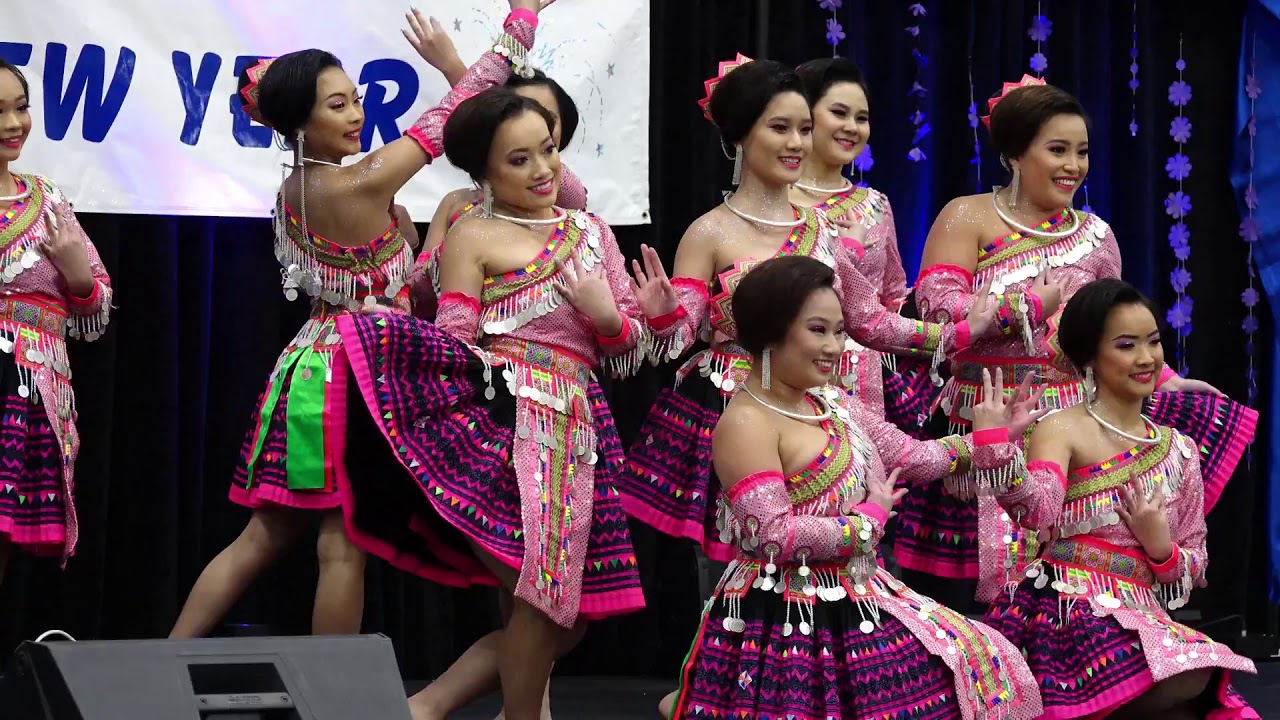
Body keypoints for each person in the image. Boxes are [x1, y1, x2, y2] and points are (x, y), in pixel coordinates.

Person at [168, 2, 551, 640]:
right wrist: (520, 21)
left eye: (354, 99)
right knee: (341, 544)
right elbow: (450, 115)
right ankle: (334, 699)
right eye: (337, 105)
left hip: (320, 363)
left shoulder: (312, 188)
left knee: (270, 535)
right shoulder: (348, 187)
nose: (356, 114)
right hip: (353, 370)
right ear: (299, 122)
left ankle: (162, 667)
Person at [330, 86, 662, 720]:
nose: (543, 171)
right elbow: (454, 342)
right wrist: (389, 324)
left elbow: (632, 341)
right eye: (520, 160)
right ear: (483, 169)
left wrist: (613, 320)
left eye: (549, 151)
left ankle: (426, 708)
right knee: (540, 603)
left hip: (583, 429)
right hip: (507, 424)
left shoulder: (590, 231)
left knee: (567, 620)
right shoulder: (473, 235)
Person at [619, 56, 995, 586]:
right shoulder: (709, 233)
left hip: (818, 412)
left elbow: (867, 320)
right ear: (740, 137)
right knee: (736, 578)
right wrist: (662, 319)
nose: (796, 142)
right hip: (737, 406)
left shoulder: (819, 228)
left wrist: (956, 333)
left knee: (832, 568)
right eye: (780, 128)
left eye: (804, 128)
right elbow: (683, 335)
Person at [904, 76, 1258, 608]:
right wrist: (1024, 310)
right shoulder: (967, 215)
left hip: (1072, 422)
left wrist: (1163, 378)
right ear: (1015, 154)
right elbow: (937, 310)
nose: (1074, 165)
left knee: (1058, 587)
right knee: (963, 601)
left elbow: (1110, 329)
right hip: (986, 414)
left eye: (1082, 152)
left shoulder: (1095, 235)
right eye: (1058, 150)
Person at [664, 255, 1042, 720]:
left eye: (839, 330)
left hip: (859, 592)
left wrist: (986, 439)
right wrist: (865, 524)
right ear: (770, 333)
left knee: (986, 663)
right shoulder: (746, 422)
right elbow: (771, 536)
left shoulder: (830, 402)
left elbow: (912, 457)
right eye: (817, 330)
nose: (835, 346)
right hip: (786, 614)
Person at [981, 278, 1257, 718]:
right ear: (1090, 355)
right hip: (1065, 610)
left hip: (1140, 615)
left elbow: (1196, 562)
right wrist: (997, 447)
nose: (1146, 358)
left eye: (1153, 341)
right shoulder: (1063, 427)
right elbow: (1038, 511)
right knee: (1183, 690)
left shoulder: (1178, 450)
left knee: (1199, 678)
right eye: (1127, 345)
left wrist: (1160, 547)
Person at [0, 59, 113, 586]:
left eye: (20, 108)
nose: (12, 124)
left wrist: (77, 278)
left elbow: (97, 305)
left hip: (27, 389)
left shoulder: (46, 199)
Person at [400, 4, 584, 322]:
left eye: (542, 116)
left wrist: (454, 68)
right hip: (469, 356)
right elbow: (421, 292)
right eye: (515, 111)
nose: (528, 121)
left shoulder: (566, 200)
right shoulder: (457, 206)